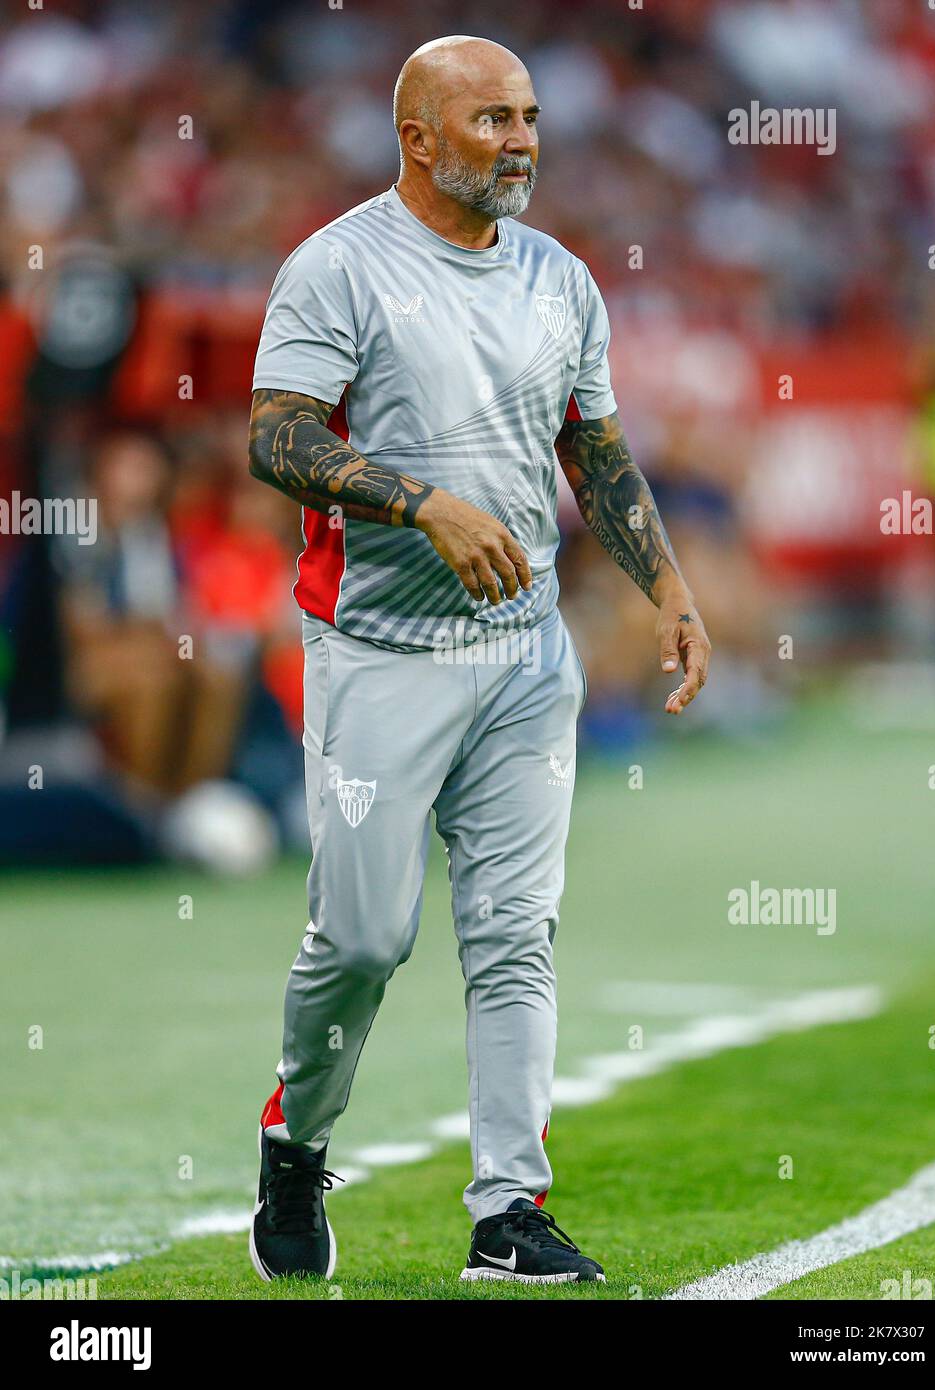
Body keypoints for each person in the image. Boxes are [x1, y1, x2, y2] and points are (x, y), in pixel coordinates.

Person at [247, 34, 710, 1286]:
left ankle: (510, 1210)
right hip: (380, 652)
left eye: (529, 116)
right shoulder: (337, 266)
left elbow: (595, 451)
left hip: (523, 655)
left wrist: (667, 585)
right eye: (493, 119)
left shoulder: (561, 279)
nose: (523, 141)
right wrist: (419, 504)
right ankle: (296, 1141)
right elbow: (278, 440)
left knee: (514, 936)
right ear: (418, 137)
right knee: (363, 938)